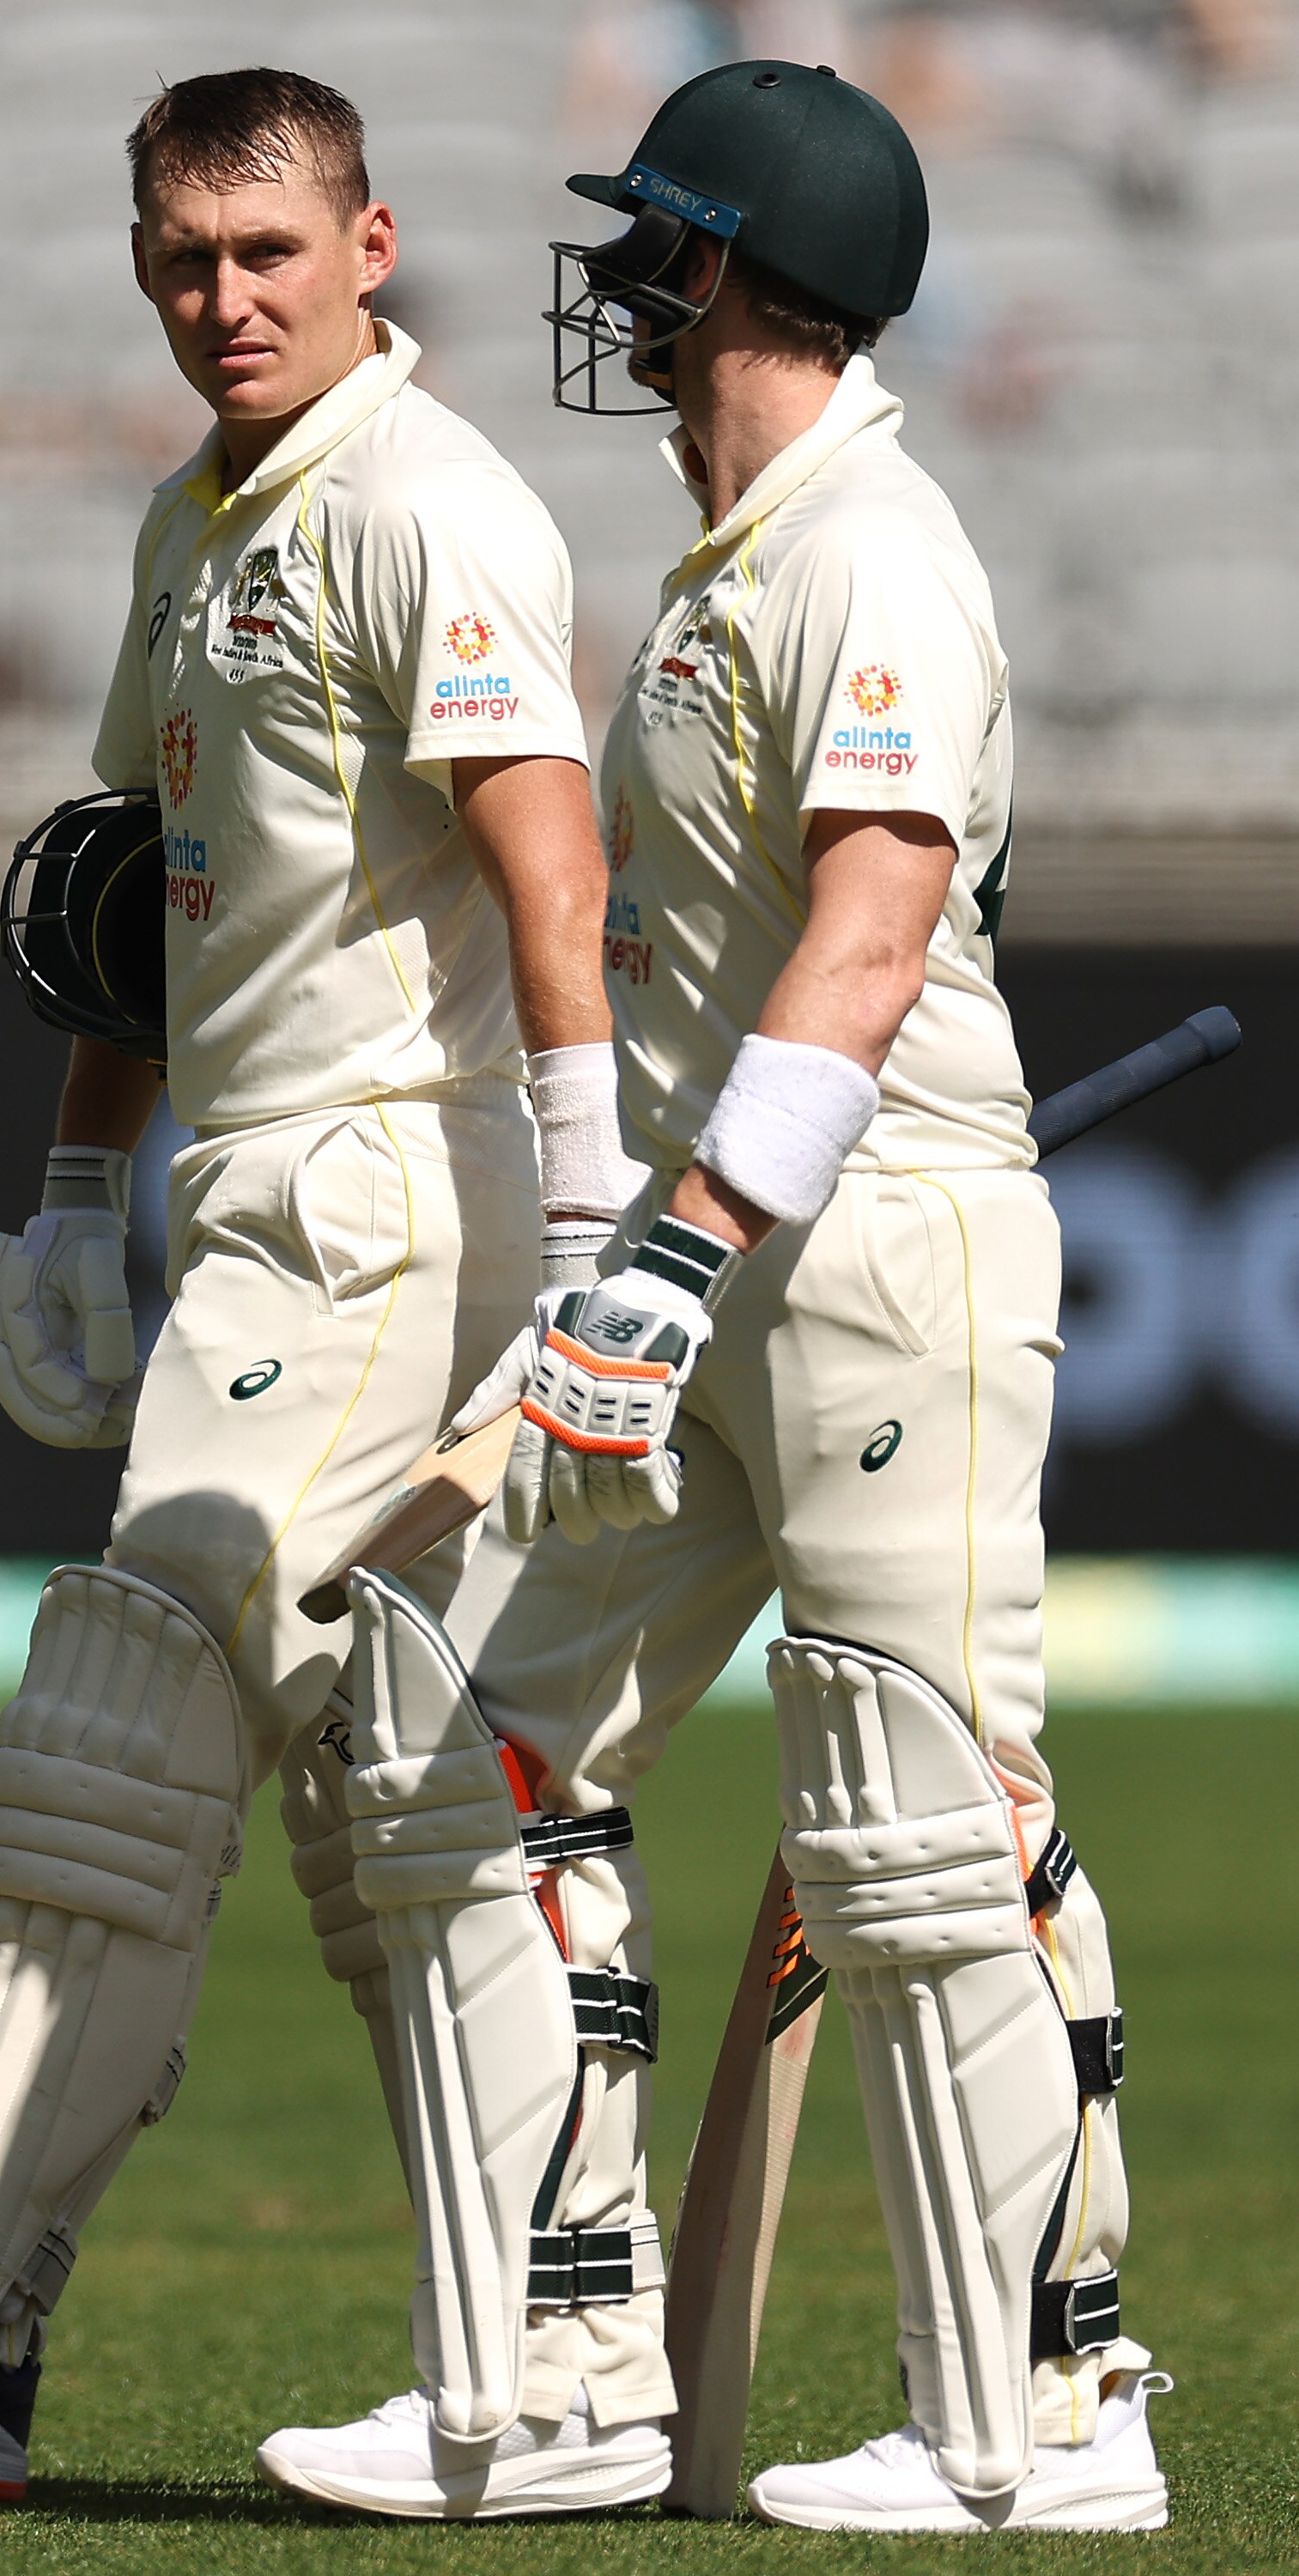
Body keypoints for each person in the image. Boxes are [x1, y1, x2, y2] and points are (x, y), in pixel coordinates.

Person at [0, 66, 634, 2500]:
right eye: (187, 259)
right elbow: (135, 904)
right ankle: (560, 2373)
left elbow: (552, 885)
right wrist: (86, 1192)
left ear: (373, 243)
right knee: (409, 1821)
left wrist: (606, 1215)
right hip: (259, 1200)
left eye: (270, 254)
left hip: (392, 1209)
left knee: (115, 1736)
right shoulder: (195, 523)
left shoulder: (433, 510)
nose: (226, 300)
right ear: (141, 260)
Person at [257, 61, 1168, 2530]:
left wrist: (668, 1261)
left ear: (748, 272)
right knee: (466, 1757)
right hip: (713, 1264)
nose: (620, 293)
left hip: (866, 1248)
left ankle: (1042, 2423)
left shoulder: (875, 543)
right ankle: (550, 2386)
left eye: (654, 249)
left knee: (922, 1816)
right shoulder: (737, 556)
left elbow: (870, 955)